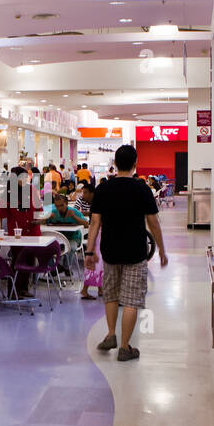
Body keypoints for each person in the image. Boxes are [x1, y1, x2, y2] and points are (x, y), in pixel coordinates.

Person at [85, 145, 167, 362]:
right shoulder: (142, 189)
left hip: (110, 250)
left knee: (111, 295)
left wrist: (89, 250)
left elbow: (95, 222)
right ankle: (124, 347)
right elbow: (153, 223)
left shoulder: (103, 188)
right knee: (131, 300)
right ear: (135, 163)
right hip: (135, 251)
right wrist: (161, 249)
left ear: (115, 162)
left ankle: (111, 334)